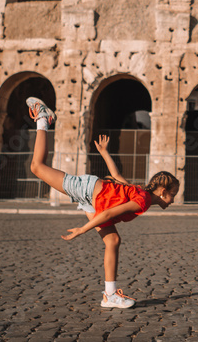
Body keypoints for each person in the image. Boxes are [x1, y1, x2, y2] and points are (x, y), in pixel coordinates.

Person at [26, 97, 180, 309]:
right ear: (163, 192)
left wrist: (105, 152)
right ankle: (43, 119)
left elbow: (116, 176)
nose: (174, 199)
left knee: (113, 241)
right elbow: (108, 215)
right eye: (173, 194)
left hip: (93, 199)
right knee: (37, 167)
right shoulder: (142, 201)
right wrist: (81, 230)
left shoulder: (140, 192)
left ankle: (110, 295)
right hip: (87, 189)